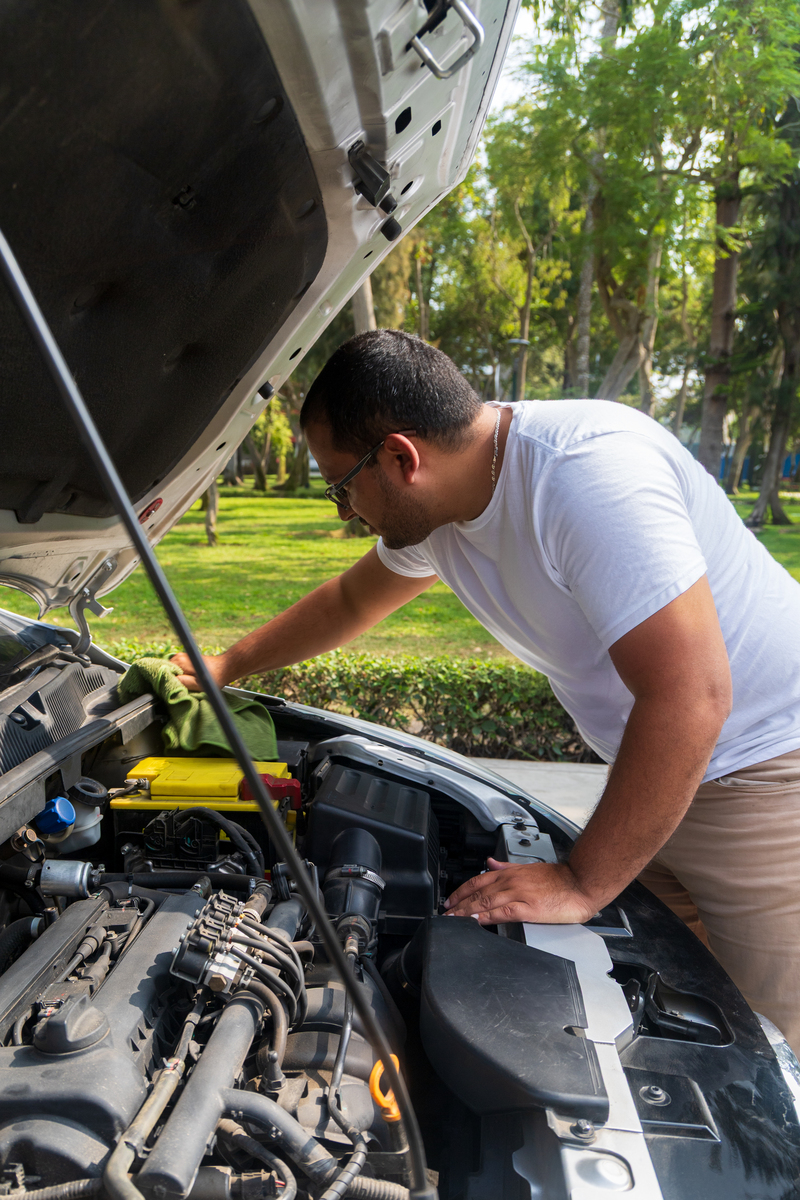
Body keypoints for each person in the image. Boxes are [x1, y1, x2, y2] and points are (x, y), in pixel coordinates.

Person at [173, 329, 800, 1052]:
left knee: (775, 1058)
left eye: (342, 485)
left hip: (769, 777)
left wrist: (580, 881)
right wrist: (226, 665)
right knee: (685, 1031)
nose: (344, 513)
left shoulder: (586, 476)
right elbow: (349, 603)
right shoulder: (442, 510)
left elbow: (691, 695)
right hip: (663, 774)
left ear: (402, 457)